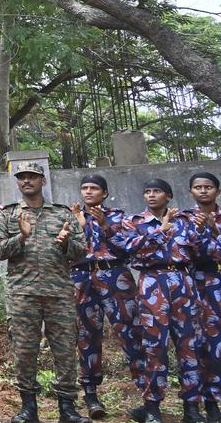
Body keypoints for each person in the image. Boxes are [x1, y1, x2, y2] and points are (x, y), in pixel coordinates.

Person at [101, 179, 213, 423]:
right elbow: (129, 248)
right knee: (154, 347)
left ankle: (191, 408)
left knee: (189, 346)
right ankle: (152, 407)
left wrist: (206, 228)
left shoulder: (184, 221)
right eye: (147, 192)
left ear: (169, 196)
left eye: (157, 191)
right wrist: (159, 232)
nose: (151, 196)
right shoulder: (135, 222)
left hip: (183, 281)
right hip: (153, 281)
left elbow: (199, 250)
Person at [0, 162, 91, 423]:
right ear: (17, 183)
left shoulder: (63, 214)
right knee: (24, 351)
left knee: (65, 351)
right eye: (22, 178)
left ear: (42, 181)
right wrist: (20, 238)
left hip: (59, 293)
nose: (26, 182)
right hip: (23, 294)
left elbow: (82, 251)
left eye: (32, 177)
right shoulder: (8, 215)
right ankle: (28, 408)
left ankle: (67, 408)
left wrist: (67, 242)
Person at [70, 174, 145, 419]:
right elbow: (62, 248)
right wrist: (79, 226)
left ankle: (148, 395)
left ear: (104, 193)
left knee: (131, 332)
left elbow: (130, 248)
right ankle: (91, 396)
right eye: (85, 188)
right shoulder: (72, 215)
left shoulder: (119, 217)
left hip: (114, 276)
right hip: (82, 278)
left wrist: (105, 226)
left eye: (94, 188)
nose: (89, 192)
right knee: (85, 335)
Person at [184, 172, 221, 421]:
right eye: (198, 187)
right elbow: (178, 249)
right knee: (195, 342)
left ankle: (215, 397)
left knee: (217, 343)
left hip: (217, 282)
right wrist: (195, 232)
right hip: (192, 283)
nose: (203, 191)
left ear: (217, 190)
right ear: (191, 192)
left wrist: (214, 230)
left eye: (208, 187)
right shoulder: (183, 218)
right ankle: (200, 400)